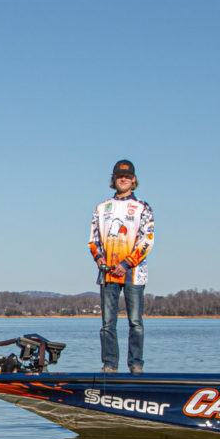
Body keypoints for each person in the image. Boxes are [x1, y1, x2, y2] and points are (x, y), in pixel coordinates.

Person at [88, 159, 154, 374]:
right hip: (107, 275)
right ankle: (110, 365)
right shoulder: (101, 208)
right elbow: (93, 239)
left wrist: (126, 264)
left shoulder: (143, 207)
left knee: (135, 322)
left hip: (134, 273)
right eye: (119, 176)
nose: (123, 179)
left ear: (133, 180)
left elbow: (147, 240)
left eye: (127, 176)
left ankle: (136, 365)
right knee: (108, 323)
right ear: (113, 179)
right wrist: (99, 258)